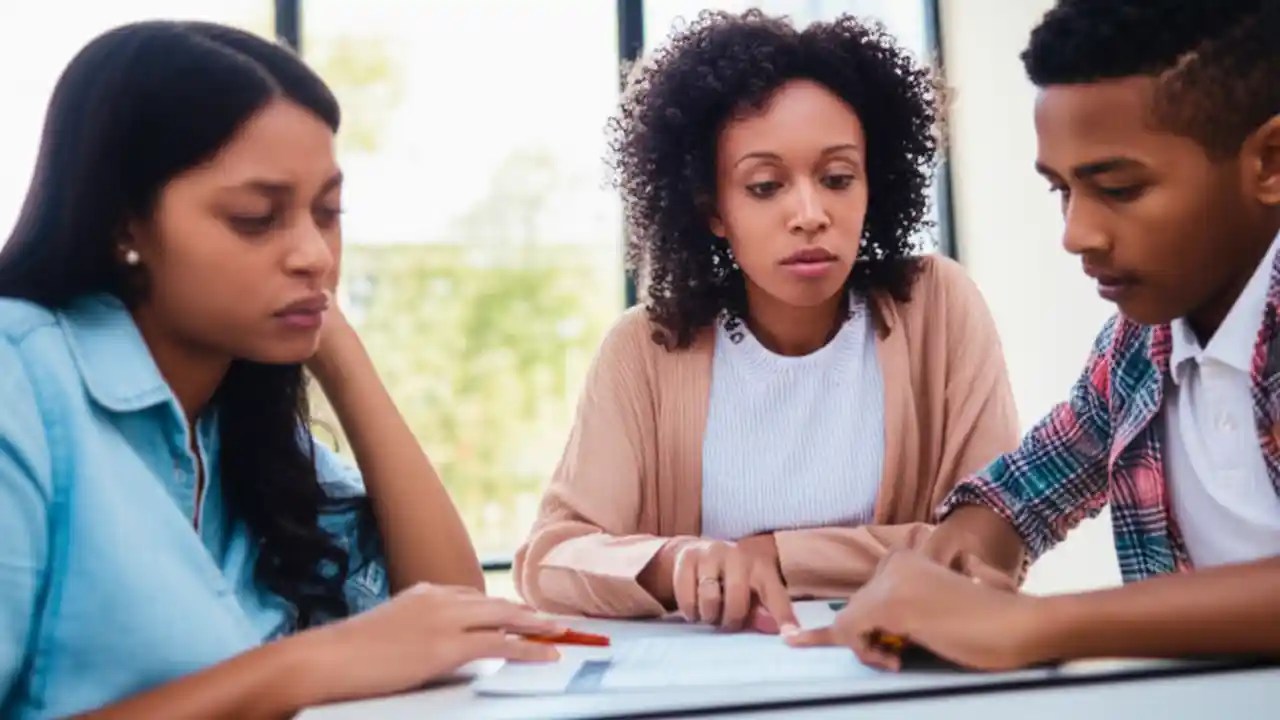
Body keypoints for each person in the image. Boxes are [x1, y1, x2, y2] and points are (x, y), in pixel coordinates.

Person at [0, 22, 560, 719]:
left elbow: (451, 620)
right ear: (125, 225)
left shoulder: (234, 421)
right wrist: (304, 666)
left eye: (328, 213)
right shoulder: (19, 384)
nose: (315, 255)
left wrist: (345, 363)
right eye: (256, 218)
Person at [788, 0, 1280, 671]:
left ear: (1270, 163)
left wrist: (1038, 626)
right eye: (1061, 191)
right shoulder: (1140, 349)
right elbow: (1020, 493)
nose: (1076, 234)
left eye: (1120, 189)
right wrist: (958, 565)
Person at [515, 9, 1018, 633]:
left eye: (838, 179)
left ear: (874, 183)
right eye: (764, 186)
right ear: (712, 208)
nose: (810, 213)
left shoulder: (937, 306)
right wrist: (674, 563)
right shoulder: (645, 348)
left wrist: (776, 556)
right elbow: (550, 561)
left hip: (897, 680)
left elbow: (990, 547)